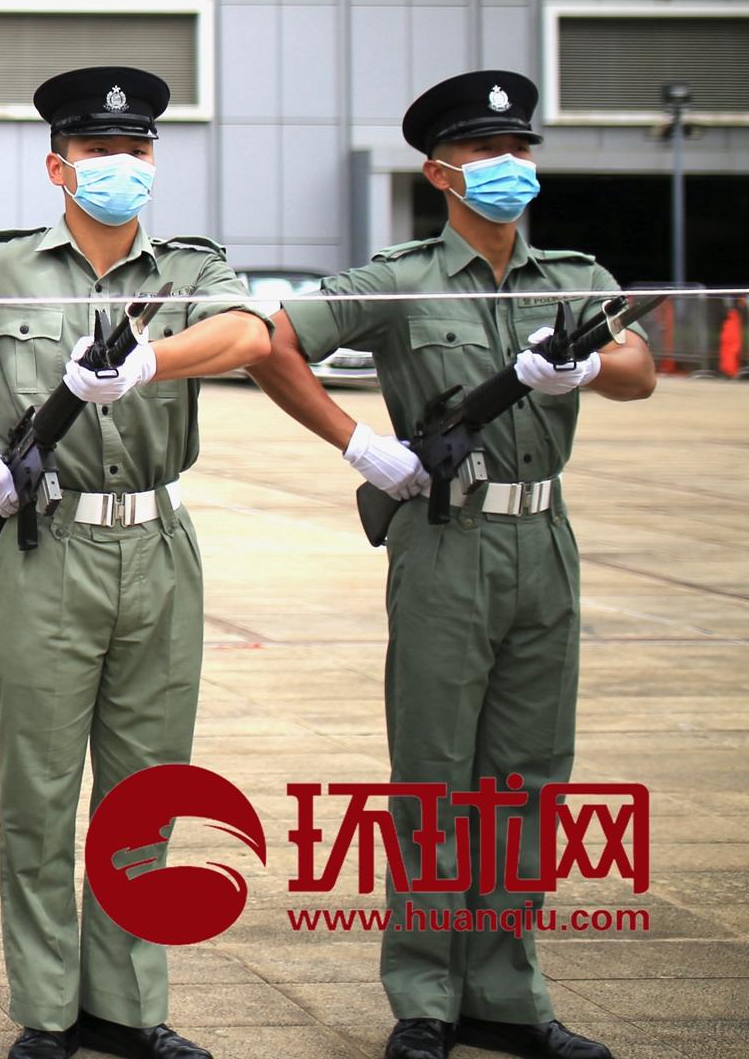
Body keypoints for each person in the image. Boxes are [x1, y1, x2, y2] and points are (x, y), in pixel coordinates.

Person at [0, 66, 264, 1059]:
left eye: (136, 152)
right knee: (39, 790)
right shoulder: (0, 268)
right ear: (59, 166)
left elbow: (251, 333)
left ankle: (127, 1007)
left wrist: (153, 361)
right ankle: (47, 1008)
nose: (120, 167)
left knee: (145, 786)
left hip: (160, 545)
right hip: (50, 538)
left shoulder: (187, 268)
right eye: (98, 153)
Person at [255, 72, 655, 1059]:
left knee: (529, 773)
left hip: (543, 539)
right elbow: (271, 342)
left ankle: (508, 993)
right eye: (486, 155)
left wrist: (591, 366)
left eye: (520, 152)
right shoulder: (400, 276)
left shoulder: (571, 275)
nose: (509, 170)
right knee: (436, 768)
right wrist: (360, 446)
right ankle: (426, 994)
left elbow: (643, 366)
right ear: (439, 172)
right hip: (445, 533)